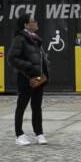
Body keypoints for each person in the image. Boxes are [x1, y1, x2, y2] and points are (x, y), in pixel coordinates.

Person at [7, 13, 50, 146]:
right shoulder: (20, 39)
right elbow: (12, 58)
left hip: (38, 78)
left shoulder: (36, 38)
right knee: (22, 106)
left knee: (37, 107)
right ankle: (19, 134)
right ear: (26, 25)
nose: (36, 23)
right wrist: (29, 67)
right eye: (33, 21)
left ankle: (39, 133)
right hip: (26, 78)